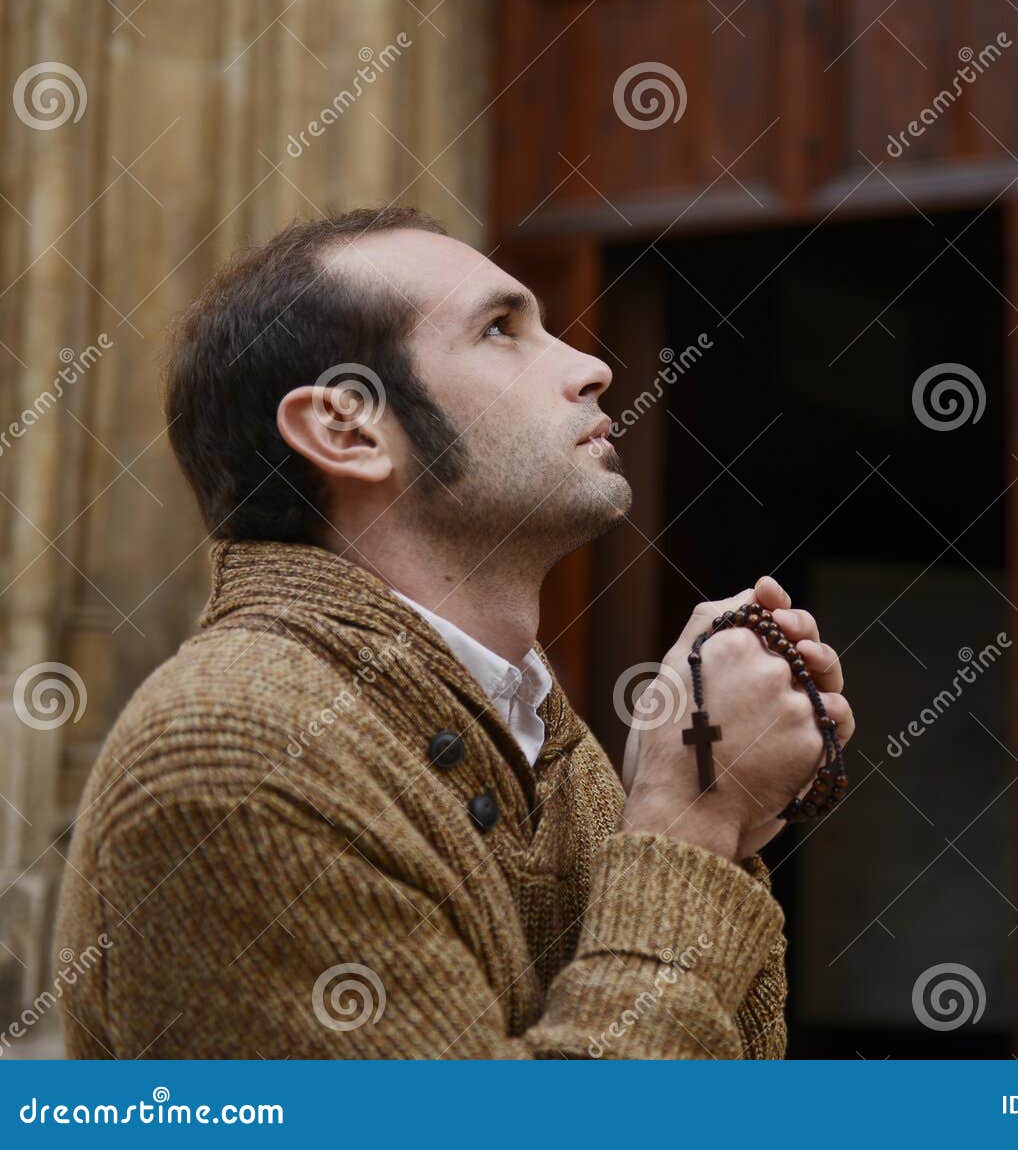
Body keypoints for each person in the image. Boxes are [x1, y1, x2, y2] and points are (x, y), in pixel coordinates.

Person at [52, 207, 853, 1058]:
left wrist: (731, 821)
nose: (592, 367)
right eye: (502, 330)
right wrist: (686, 821)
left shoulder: (543, 738)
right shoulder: (234, 753)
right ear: (348, 427)